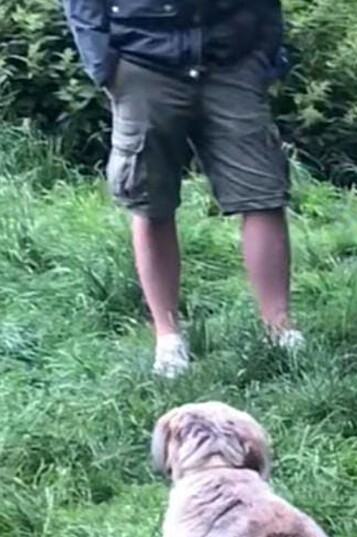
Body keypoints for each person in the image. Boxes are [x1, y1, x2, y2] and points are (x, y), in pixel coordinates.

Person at [62, 0, 303, 378]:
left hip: (234, 61)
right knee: (149, 201)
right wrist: (103, 66)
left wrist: (267, 54)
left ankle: (280, 331)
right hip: (142, 63)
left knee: (264, 194)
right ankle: (169, 339)